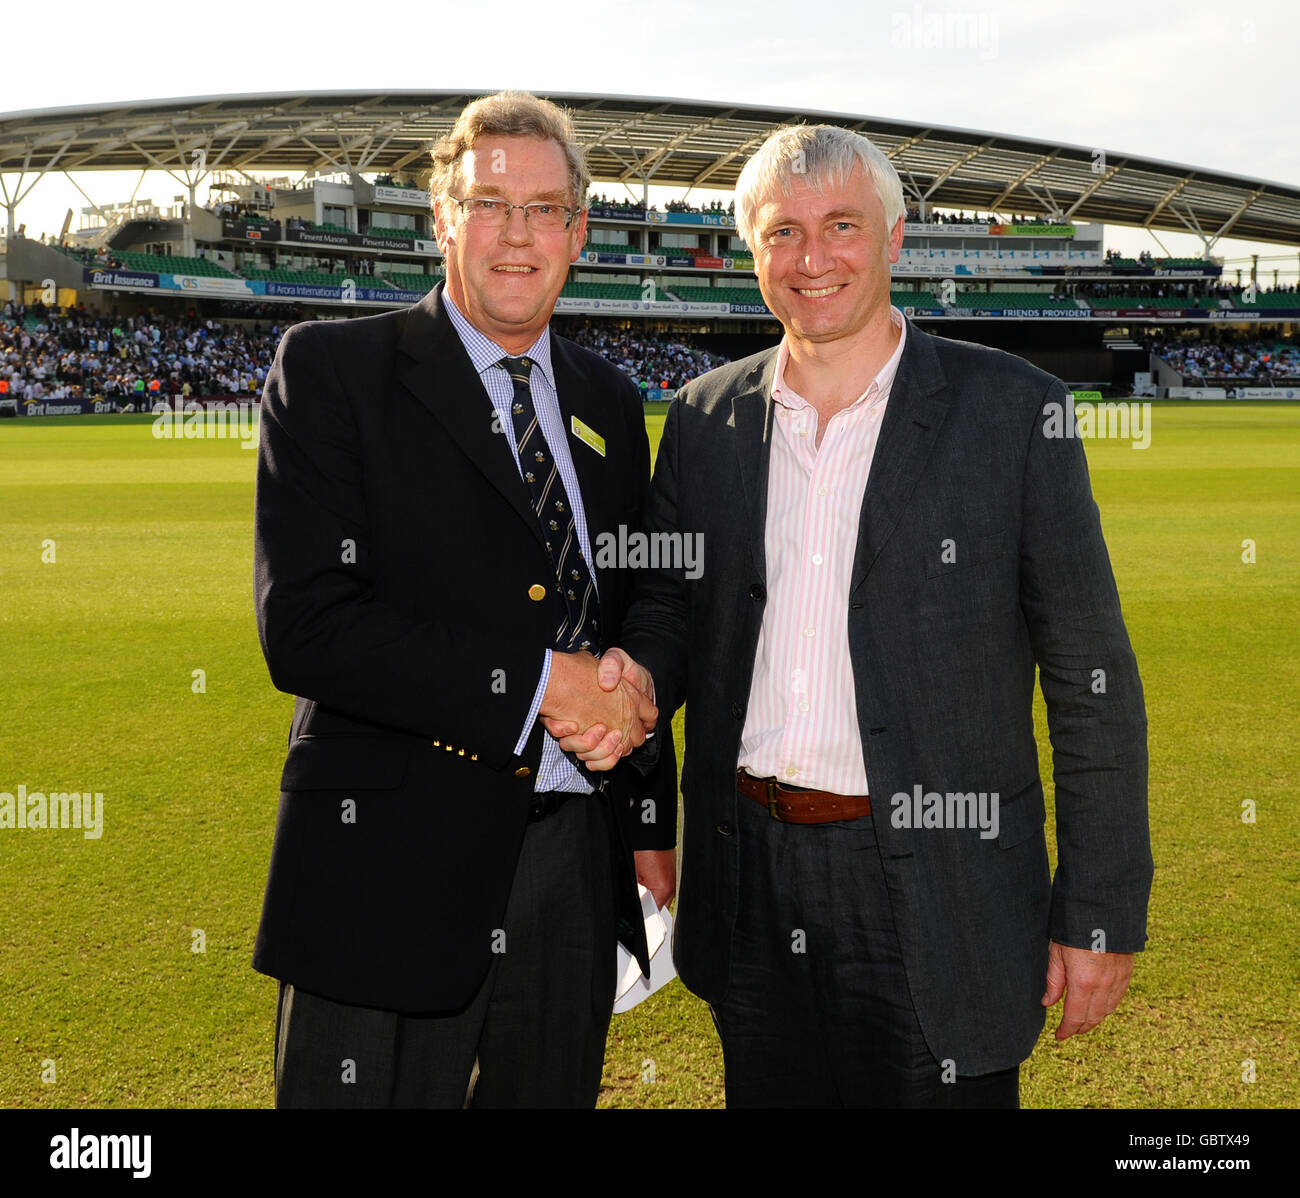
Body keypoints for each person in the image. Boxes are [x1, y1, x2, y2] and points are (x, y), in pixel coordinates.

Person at [550, 124, 1152, 1108]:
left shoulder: (1012, 412)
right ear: (750, 248)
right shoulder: (704, 417)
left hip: (936, 878)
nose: (812, 257)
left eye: (840, 225)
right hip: (750, 871)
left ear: (894, 237)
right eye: (782, 231)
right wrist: (641, 684)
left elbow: (1092, 679)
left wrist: (1097, 907)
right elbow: (667, 602)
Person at [251, 90, 670, 1109]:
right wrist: (537, 687)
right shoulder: (333, 370)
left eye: (542, 209)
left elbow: (643, 596)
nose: (516, 235)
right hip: (386, 864)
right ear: (441, 218)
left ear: (577, 229)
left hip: (572, 866)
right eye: (489, 204)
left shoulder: (610, 401)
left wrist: (650, 799)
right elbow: (307, 626)